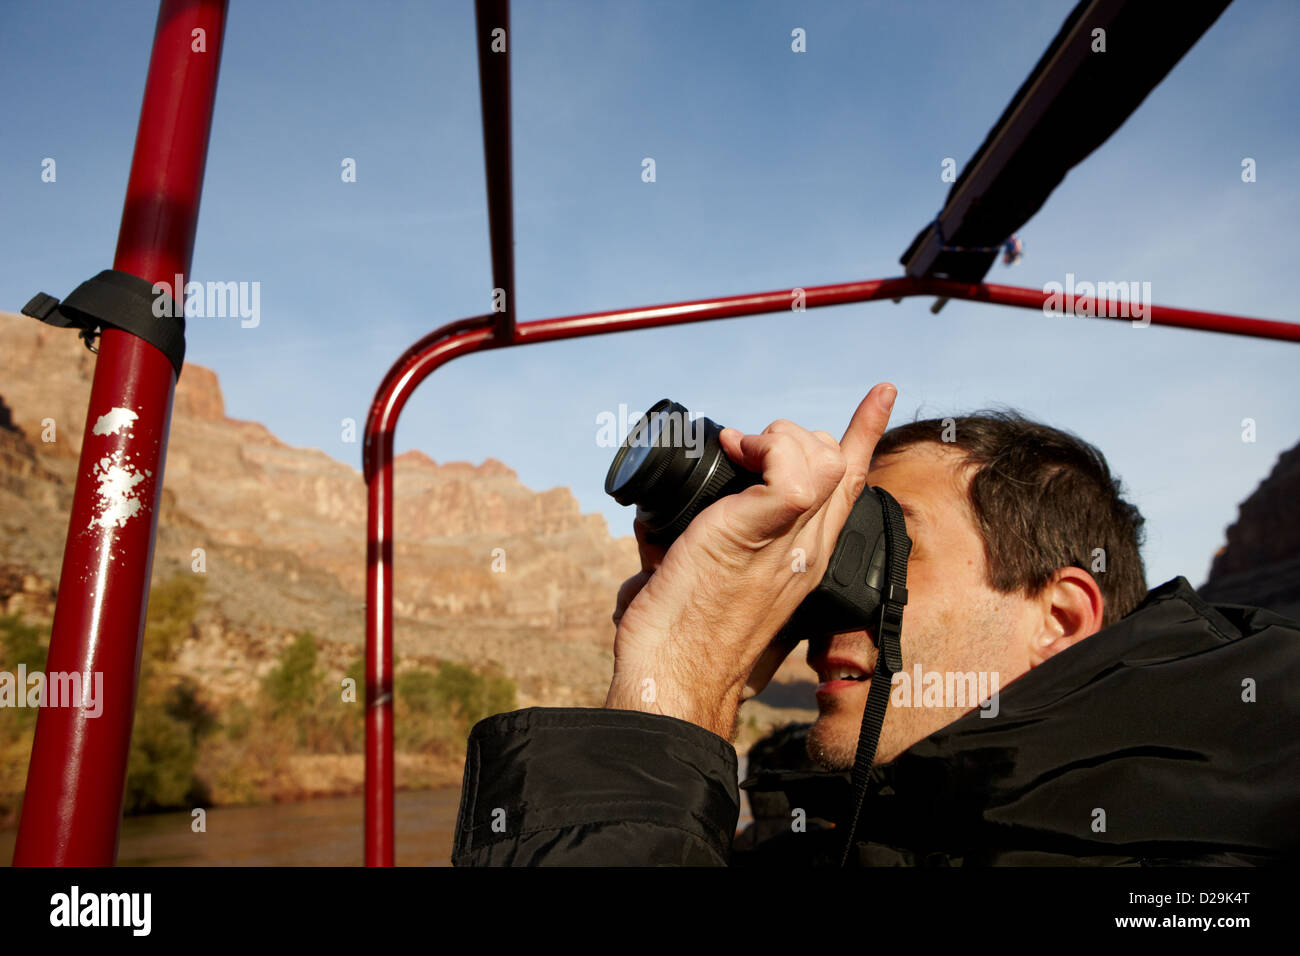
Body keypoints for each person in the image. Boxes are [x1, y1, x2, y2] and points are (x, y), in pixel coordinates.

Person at [452, 385, 1300, 865]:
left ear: (1061, 614)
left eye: (880, 551)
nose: (826, 599)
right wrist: (678, 698)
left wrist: (680, 685)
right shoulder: (811, 831)